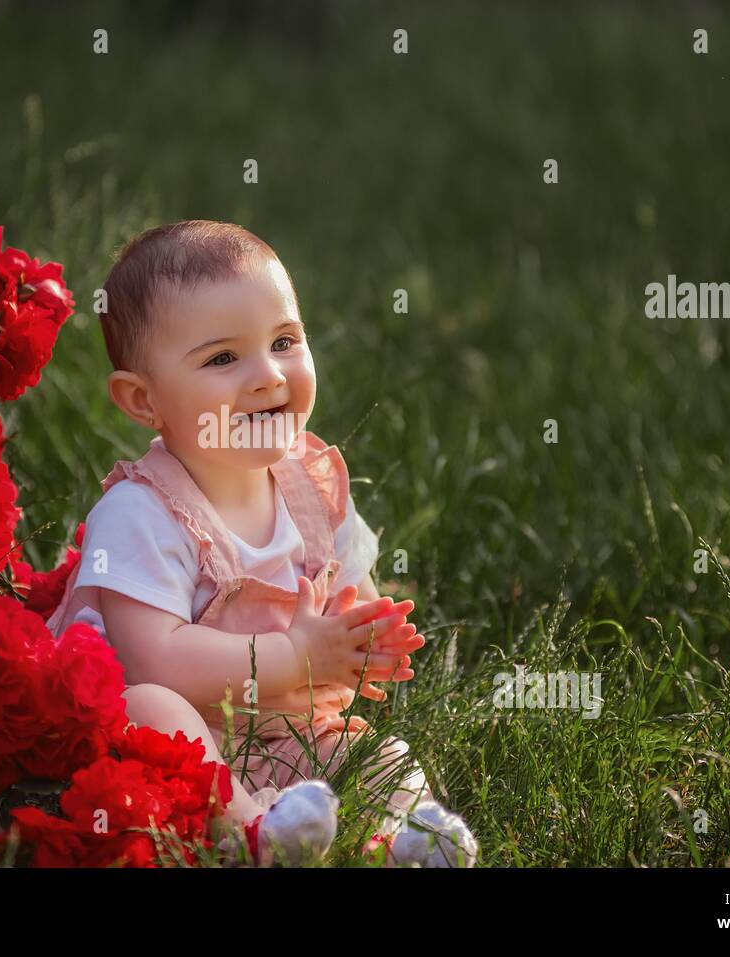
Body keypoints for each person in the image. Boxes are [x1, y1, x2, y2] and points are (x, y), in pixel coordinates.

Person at [47, 220, 477, 866]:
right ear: (143, 400)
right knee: (147, 707)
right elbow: (154, 658)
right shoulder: (139, 512)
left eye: (284, 340)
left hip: (286, 727)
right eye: (223, 357)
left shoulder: (314, 484)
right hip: (183, 734)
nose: (268, 375)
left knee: (382, 754)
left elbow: (345, 600)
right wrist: (294, 655)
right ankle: (257, 833)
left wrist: (360, 642)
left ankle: (401, 839)